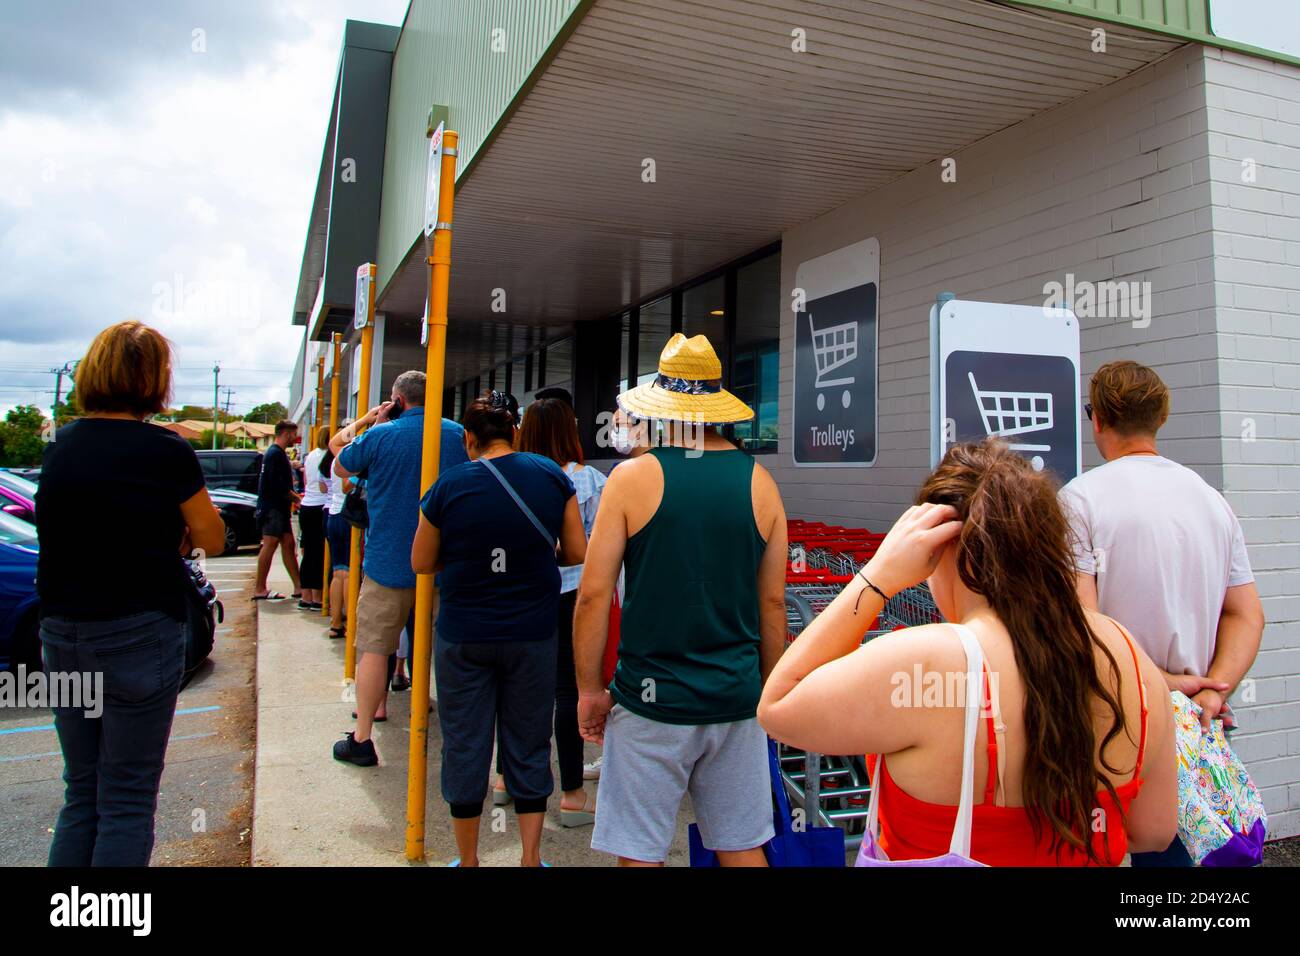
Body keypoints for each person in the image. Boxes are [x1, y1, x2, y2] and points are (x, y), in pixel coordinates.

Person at [758, 440, 1178, 866]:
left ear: (941, 546)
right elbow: (1154, 832)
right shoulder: (1130, 656)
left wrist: (878, 575)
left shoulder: (930, 663)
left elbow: (777, 707)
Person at [574, 333, 788, 867]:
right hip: (736, 698)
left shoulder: (630, 479)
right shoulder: (761, 484)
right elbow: (773, 606)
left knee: (640, 852)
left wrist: (589, 690)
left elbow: (593, 595)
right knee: (743, 846)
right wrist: (769, 695)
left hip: (651, 700)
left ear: (663, 408)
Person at [36, 320, 226, 866]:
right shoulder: (164, 450)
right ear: (154, 380)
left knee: (83, 791)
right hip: (139, 628)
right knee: (127, 795)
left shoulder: (61, 444)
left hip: (63, 629)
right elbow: (212, 535)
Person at [1059, 360, 1264, 865]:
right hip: (1200, 719)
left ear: (1099, 419)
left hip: (1117, 721)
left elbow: (1083, 627)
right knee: (1196, 855)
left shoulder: (1079, 500)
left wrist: (1167, 684)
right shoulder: (1211, 501)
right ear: (1161, 418)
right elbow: (1246, 613)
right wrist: (1215, 686)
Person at [412, 390, 587, 866]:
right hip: (532, 634)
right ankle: (530, 857)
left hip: (464, 635)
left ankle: (468, 860)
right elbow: (576, 551)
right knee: (529, 740)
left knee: (466, 743)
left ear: (468, 439)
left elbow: (421, 561)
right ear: (514, 432)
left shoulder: (448, 487)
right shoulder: (552, 476)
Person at [329, 371, 467, 765]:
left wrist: (371, 421)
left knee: (374, 648)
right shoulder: (457, 435)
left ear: (398, 400)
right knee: (446, 649)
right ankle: (453, 734)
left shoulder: (380, 435)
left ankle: (362, 737)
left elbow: (340, 465)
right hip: (445, 561)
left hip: (388, 560)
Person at [512, 396, 607, 826]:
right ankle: (571, 793)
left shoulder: (510, 477)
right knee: (568, 690)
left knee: (516, 687)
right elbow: (600, 549)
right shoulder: (588, 480)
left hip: (521, 594)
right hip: (573, 594)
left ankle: (503, 780)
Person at [252, 420, 302, 602]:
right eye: (293, 434)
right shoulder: (275, 455)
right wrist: (296, 498)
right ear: (286, 433)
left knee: (288, 544)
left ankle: (299, 586)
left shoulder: (274, 454)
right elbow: (277, 484)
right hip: (273, 508)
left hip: (277, 508)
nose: (295, 439)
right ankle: (260, 588)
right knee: (270, 544)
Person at [320, 436, 354, 641]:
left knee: (338, 572)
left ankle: (335, 623)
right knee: (349, 574)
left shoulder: (335, 457)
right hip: (348, 516)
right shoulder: (350, 459)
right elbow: (346, 485)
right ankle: (350, 623)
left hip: (332, 515)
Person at [297, 427, 330, 611]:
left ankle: (305, 595)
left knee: (308, 552)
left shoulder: (310, 456)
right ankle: (317, 597)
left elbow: (306, 479)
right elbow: (324, 484)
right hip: (321, 505)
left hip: (307, 505)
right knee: (319, 553)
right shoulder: (329, 456)